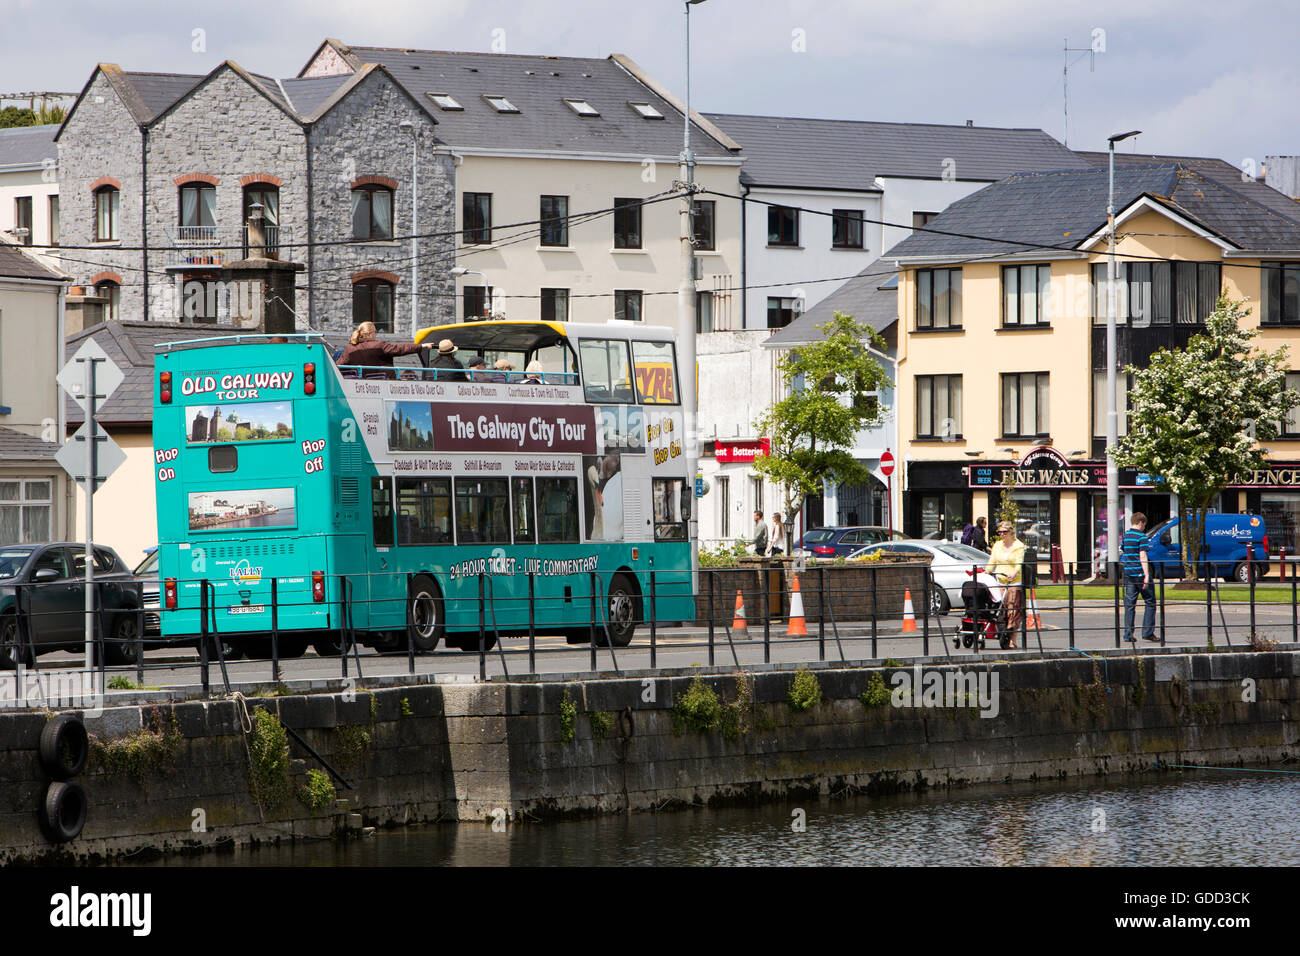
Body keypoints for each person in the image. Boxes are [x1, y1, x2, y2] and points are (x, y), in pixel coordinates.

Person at [337, 321, 431, 377]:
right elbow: (400, 349)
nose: (376, 334)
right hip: (384, 384)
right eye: (375, 332)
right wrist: (421, 346)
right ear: (370, 333)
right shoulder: (379, 345)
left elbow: (337, 366)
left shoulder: (350, 349)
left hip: (360, 386)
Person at [988, 520, 1027, 646]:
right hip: (1000, 580)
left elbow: (1019, 562)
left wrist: (1015, 572)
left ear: (1011, 532)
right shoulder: (997, 545)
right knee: (1001, 609)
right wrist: (987, 571)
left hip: (1014, 581)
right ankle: (1003, 635)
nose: (1002, 534)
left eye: (1004, 532)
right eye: (1000, 532)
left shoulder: (1018, 546)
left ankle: (1013, 639)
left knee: (1013, 610)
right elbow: (992, 560)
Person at [1122, 512, 1158, 643]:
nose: (1144, 527)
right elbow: (1143, 556)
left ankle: (1128, 634)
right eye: (1144, 525)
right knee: (1150, 602)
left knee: (1130, 604)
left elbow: (1124, 551)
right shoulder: (1141, 537)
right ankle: (1148, 632)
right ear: (1140, 522)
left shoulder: (1126, 536)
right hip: (1140, 574)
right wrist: (1147, 575)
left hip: (1128, 574)